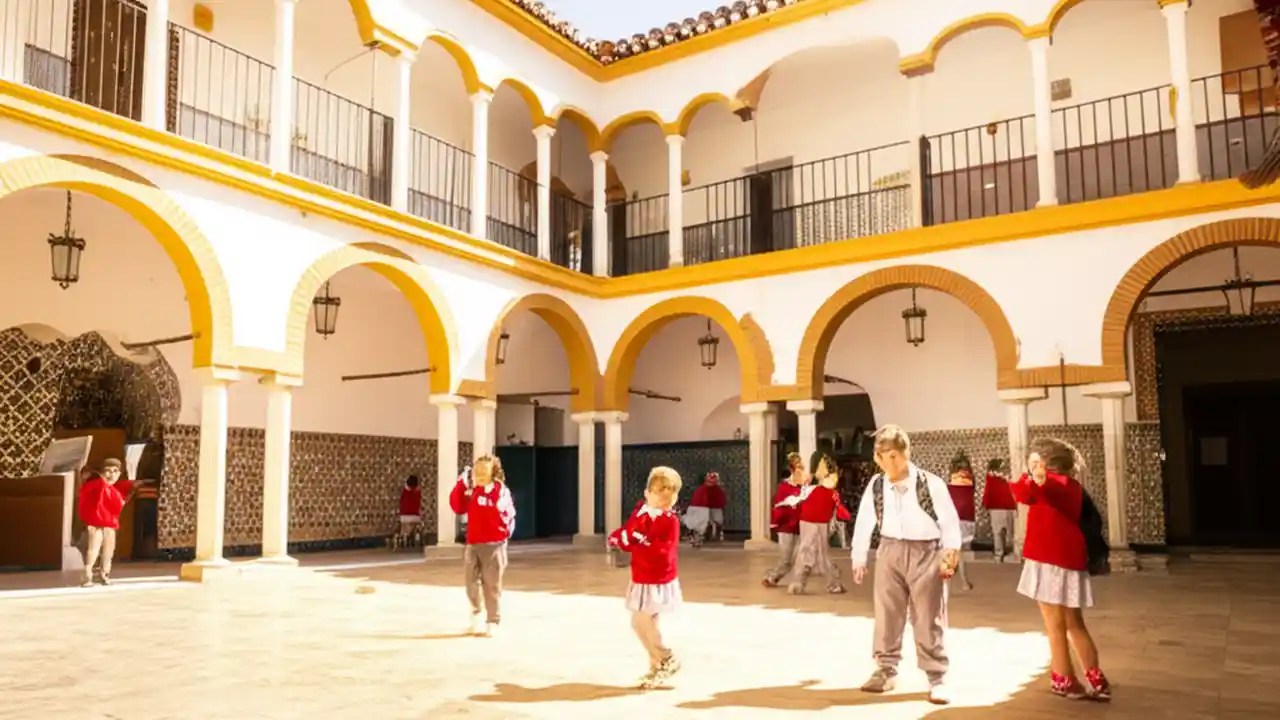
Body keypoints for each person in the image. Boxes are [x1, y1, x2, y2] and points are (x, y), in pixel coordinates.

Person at [850, 425, 963, 706]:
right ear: (876, 458)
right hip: (889, 551)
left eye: (894, 456)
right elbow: (865, 522)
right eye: (882, 456)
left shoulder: (930, 484)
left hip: (926, 552)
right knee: (887, 613)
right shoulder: (876, 486)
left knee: (928, 615)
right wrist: (859, 556)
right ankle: (885, 669)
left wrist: (950, 556)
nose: (889, 463)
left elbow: (949, 523)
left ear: (906, 453)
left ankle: (937, 676)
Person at [1011, 439, 1111, 701]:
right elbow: (1022, 493)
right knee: (1063, 624)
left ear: (1051, 465)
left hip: (1056, 564)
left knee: (1065, 624)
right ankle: (1075, 678)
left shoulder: (1063, 486)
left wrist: (1038, 478)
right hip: (1050, 562)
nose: (1032, 469)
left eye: (1037, 463)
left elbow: (1048, 490)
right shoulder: (1052, 486)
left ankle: (1078, 678)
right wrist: (1026, 477)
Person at [608, 466, 684, 689]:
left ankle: (665, 657)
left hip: (657, 578)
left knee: (642, 621)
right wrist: (621, 539)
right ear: (647, 492)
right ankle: (656, 666)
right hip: (641, 575)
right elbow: (629, 532)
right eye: (660, 490)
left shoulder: (669, 520)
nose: (665, 495)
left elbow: (664, 549)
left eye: (670, 491)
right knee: (645, 622)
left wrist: (640, 542)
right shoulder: (641, 511)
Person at [449, 456, 516, 637]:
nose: (478, 475)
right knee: (470, 582)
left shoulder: (501, 492)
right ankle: (475, 611)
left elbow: (508, 514)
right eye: (476, 471)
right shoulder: (471, 491)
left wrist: (504, 534)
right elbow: (457, 506)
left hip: (494, 545)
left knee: (491, 585)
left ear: (493, 472)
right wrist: (461, 485)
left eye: (483, 471)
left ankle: (493, 620)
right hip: (473, 543)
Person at [775, 451, 851, 594]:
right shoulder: (811, 486)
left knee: (818, 553)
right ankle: (803, 583)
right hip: (811, 521)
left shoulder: (825, 486)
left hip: (820, 521)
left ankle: (821, 583)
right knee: (809, 552)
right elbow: (797, 498)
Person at [77, 458, 138, 587]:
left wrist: (131, 490)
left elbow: (119, 504)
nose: (111, 474)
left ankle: (104, 574)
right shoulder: (96, 485)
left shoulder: (113, 490)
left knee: (108, 551)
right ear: (101, 473)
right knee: (93, 550)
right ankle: (87, 574)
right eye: (108, 471)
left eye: (115, 471)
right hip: (95, 524)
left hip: (109, 525)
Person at [762, 452, 808, 588]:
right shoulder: (784, 487)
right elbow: (778, 506)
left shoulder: (803, 488)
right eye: (798, 467)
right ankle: (771, 577)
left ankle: (784, 579)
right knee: (786, 559)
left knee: (797, 558)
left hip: (799, 527)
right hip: (786, 528)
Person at [946, 451, 977, 591]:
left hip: (952, 516)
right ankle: (964, 582)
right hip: (966, 517)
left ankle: (947, 579)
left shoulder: (950, 479)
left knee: (952, 550)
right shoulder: (971, 479)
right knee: (960, 551)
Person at [982, 457, 1018, 562]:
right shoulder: (1006, 478)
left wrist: (985, 505)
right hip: (1006, 507)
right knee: (1007, 532)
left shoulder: (991, 478)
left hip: (998, 507)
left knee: (999, 532)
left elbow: (987, 492)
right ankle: (1005, 553)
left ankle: (999, 554)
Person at [685, 471, 727, 547]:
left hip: (707, 508)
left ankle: (701, 537)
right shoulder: (705, 490)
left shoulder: (709, 489)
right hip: (702, 508)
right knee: (700, 525)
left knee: (706, 523)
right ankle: (698, 538)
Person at [398, 475, 423, 543]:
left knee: (404, 528)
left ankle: (403, 537)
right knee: (413, 526)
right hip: (415, 516)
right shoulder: (417, 492)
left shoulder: (404, 491)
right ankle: (413, 537)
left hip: (404, 516)